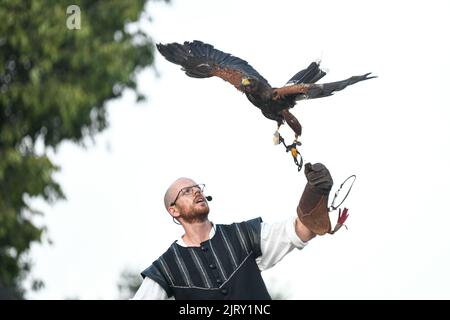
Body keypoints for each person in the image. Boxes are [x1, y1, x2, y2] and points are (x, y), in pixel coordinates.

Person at [132, 162, 333, 300]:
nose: (196, 191)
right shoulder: (167, 267)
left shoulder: (243, 235)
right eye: (186, 191)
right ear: (173, 210)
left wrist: (315, 193)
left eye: (198, 188)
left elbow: (300, 231)